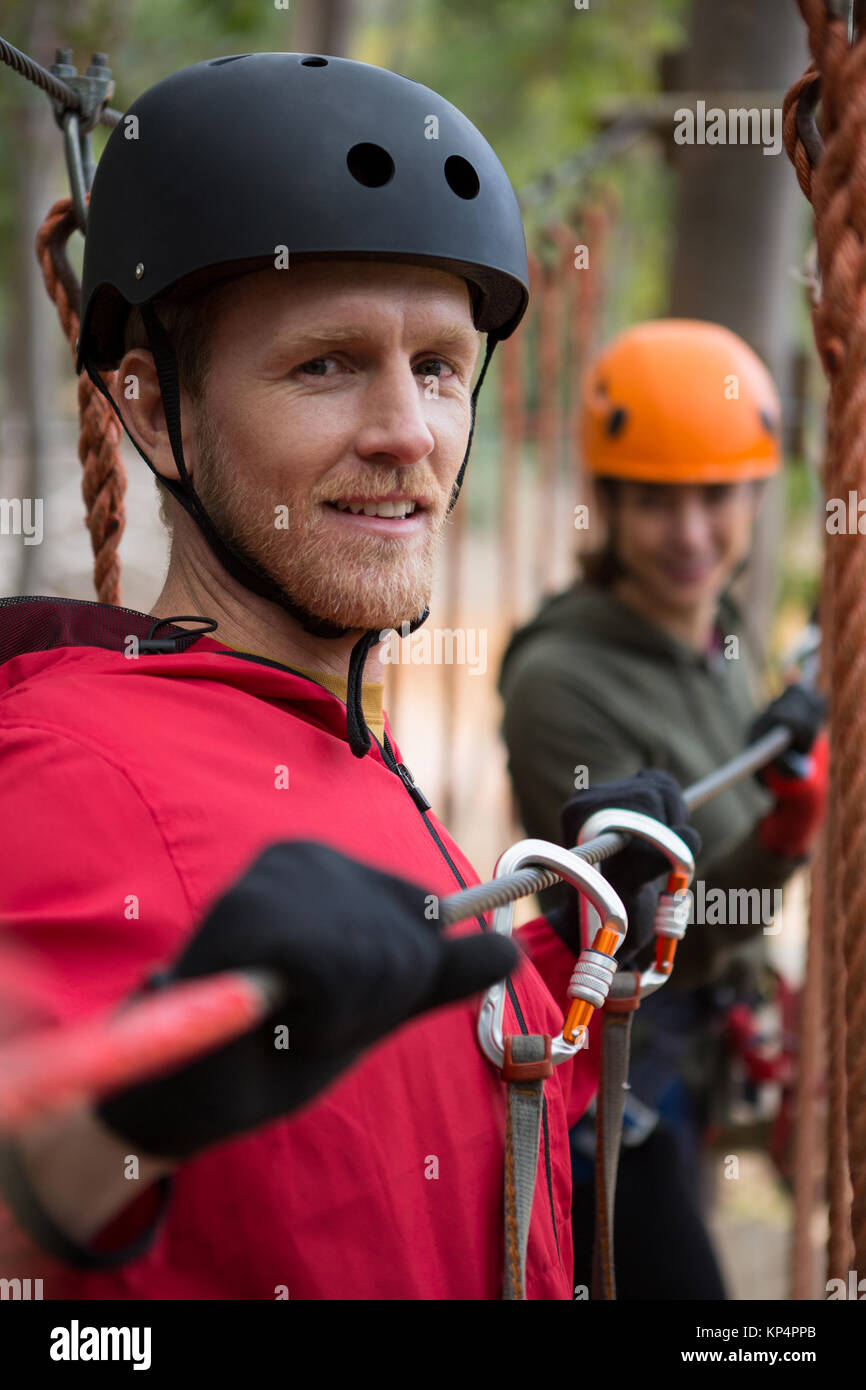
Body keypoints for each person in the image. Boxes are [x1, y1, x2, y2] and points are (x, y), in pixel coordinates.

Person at [0, 55, 696, 1301]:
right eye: (324, 364)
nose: (408, 432)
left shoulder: (325, 736)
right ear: (152, 413)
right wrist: (117, 1126)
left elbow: (382, 1114)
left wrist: (575, 939)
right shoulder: (66, 768)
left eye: (436, 366)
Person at [498, 319, 827, 1300]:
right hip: (621, 1066)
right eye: (653, 502)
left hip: (705, 1041)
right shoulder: (557, 681)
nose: (690, 535)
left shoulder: (715, 630)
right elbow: (641, 929)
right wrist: (781, 835)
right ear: (602, 501)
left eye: (716, 497)